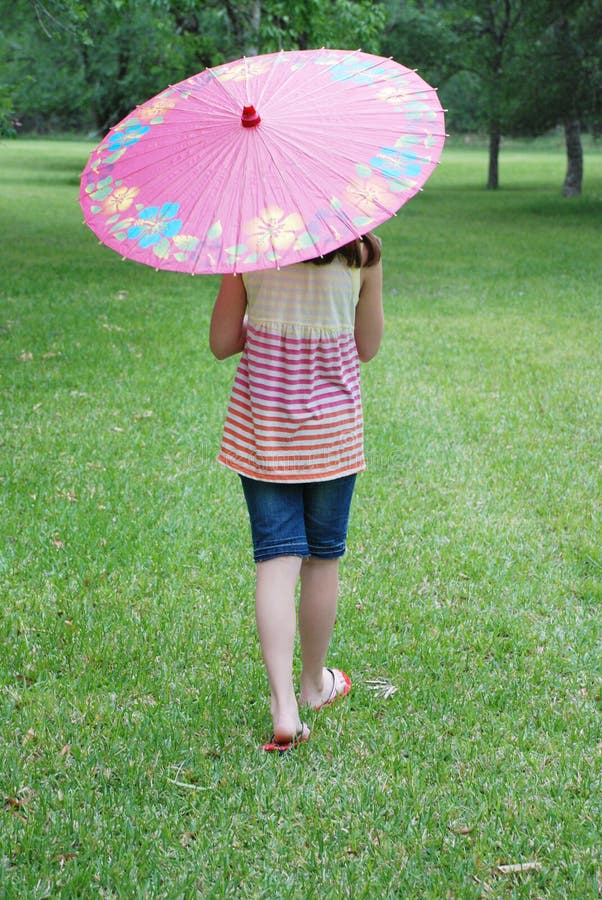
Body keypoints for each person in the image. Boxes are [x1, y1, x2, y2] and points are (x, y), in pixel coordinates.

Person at [210, 233, 383, 752]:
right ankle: (313, 685)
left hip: (264, 430)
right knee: (323, 560)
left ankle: (284, 706)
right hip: (333, 435)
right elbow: (367, 346)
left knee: (277, 560)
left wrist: (260, 323)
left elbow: (221, 342)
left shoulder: (250, 247)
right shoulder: (365, 252)